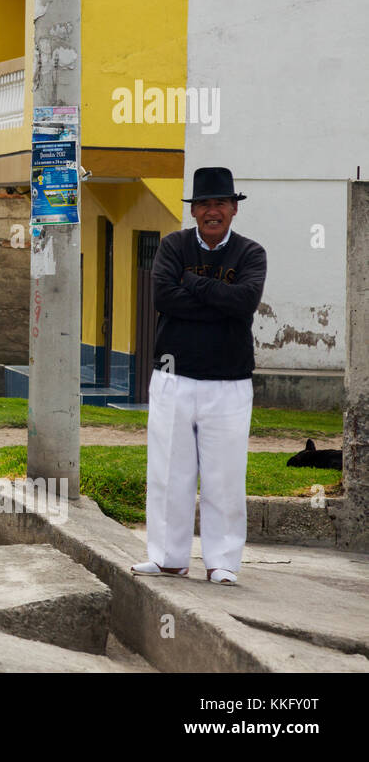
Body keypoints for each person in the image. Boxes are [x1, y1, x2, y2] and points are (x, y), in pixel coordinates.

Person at [132, 167, 267, 586]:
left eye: (220, 204)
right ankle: (168, 557)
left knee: (224, 476)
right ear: (193, 211)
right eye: (204, 204)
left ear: (233, 209)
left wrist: (191, 284)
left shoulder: (250, 253)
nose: (212, 212)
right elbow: (163, 298)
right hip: (173, 377)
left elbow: (244, 302)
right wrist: (218, 302)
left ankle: (222, 562)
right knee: (168, 472)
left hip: (229, 383)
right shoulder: (172, 245)